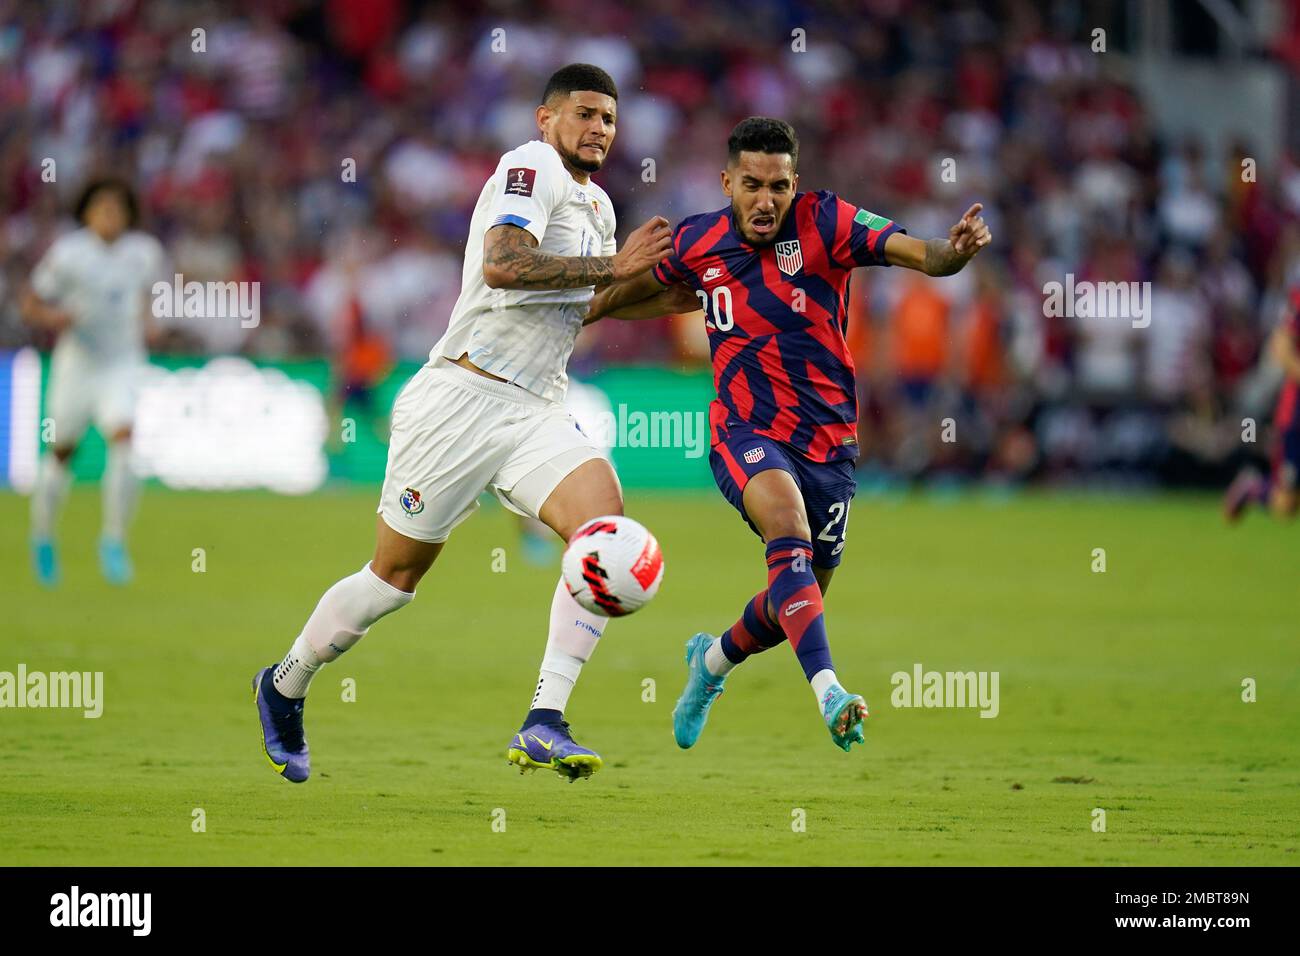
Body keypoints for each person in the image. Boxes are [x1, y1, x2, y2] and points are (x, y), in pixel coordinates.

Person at [252, 63, 690, 783]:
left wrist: (671, 295)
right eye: (583, 113)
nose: (598, 129)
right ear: (545, 120)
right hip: (461, 397)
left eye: (609, 119)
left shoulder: (601, 210)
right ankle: (285, 682)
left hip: (536, 407)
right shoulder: (530, 166)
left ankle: (545, 718)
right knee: (392, 579)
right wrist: (615, 266)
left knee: (604, 529)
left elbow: (584, 307)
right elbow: (505, 264)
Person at [587, 117, 991, 751]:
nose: (766, 200)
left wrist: (955, 250)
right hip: (742, 428)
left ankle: (712, 663)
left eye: (778, 186)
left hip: (830, 442)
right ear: (728, 182)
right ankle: (830, 691)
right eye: (752, 184)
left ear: (795, 182)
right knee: (787, 528)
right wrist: (562, 315)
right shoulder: (699, 242)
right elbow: (632, 297)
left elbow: (924, 254)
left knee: (794, 599)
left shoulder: (827, 222)